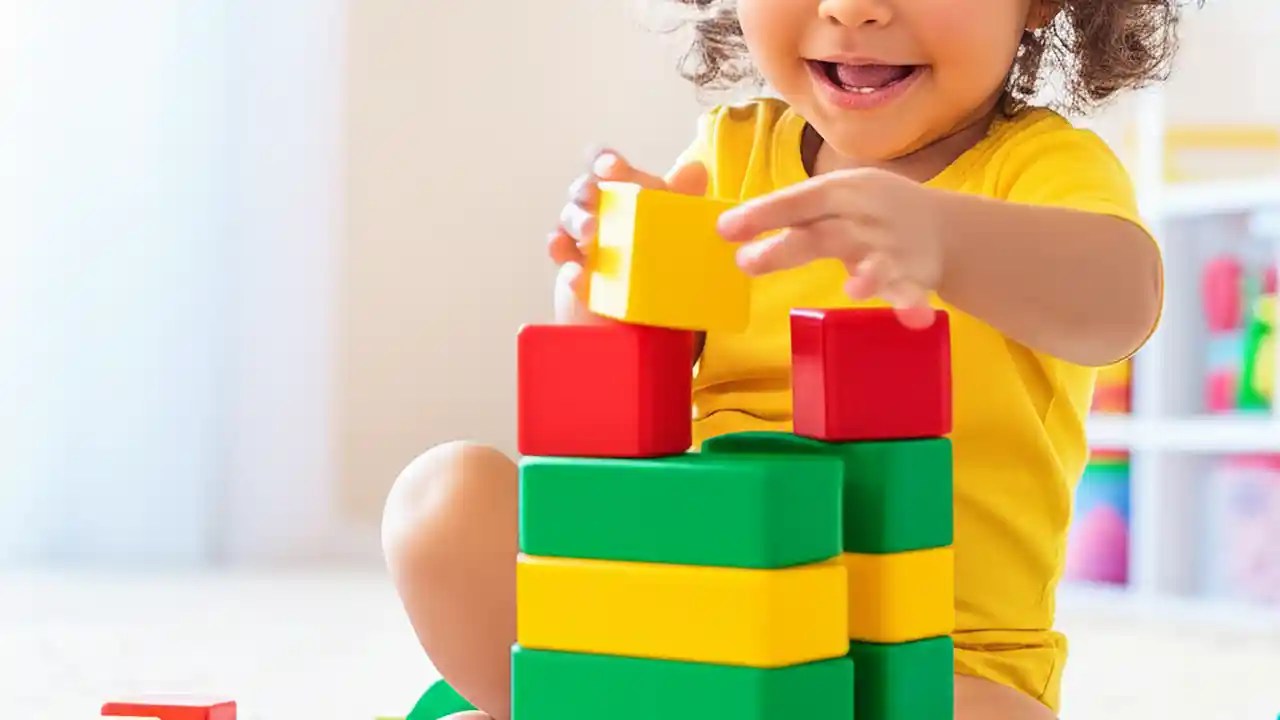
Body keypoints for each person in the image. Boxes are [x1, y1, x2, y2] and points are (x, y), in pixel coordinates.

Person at [381, 0, 1183, 717]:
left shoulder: (1037, 168)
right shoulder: (730, 157)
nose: (854, 9)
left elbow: (1122, 302)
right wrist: (606, 271)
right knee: (441, 503)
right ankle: (586, 692)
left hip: (930, 660)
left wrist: (945, 241)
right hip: (701, 615)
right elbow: (612, 423)